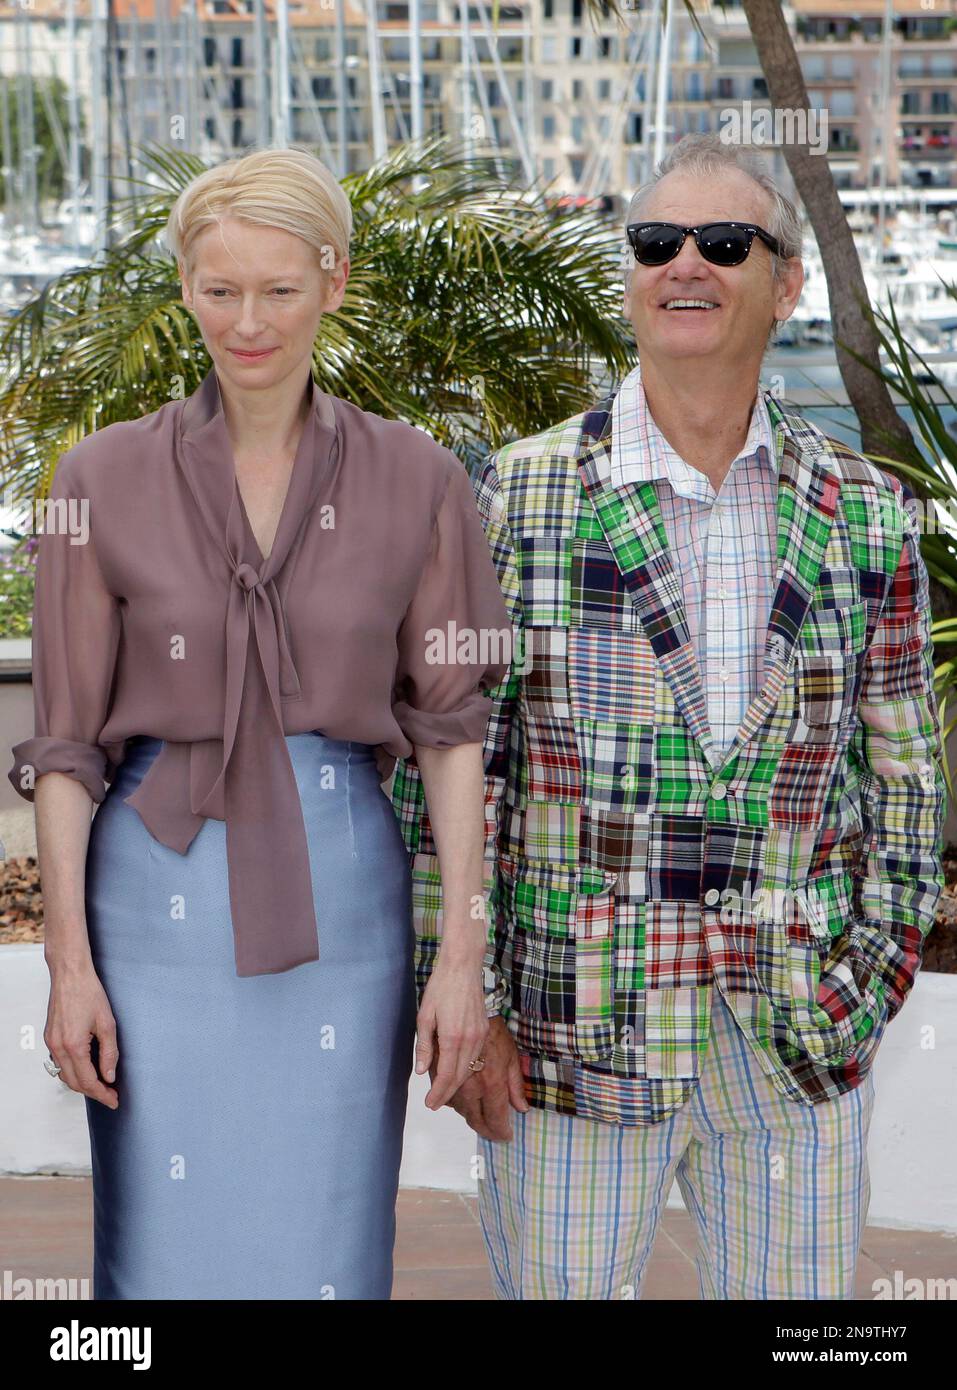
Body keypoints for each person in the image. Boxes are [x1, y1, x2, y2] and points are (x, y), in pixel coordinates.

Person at [391, 133, 945, 1299]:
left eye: (724, 243)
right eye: (656, 242)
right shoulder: (515, 494)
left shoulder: (869, 515)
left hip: (796, 1042)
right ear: (630, 271)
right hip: (571, 1044)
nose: (685, 264)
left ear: (785, 281)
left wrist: (864, 990)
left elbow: (904, 783)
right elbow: (448, 767)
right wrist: (471, 1005)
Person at [9, 145, 511, 1300]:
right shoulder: (94, 477)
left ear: (333, 283)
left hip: (346, 903)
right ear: (184, 286)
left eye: (280, 289)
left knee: (329, 1239)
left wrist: (463, 960)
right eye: (221, 288)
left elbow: (452, 729)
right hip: (153, 904)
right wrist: (68, 969)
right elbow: (68, 750)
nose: (249, 322)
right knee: (162, 1245)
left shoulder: (421, 477)